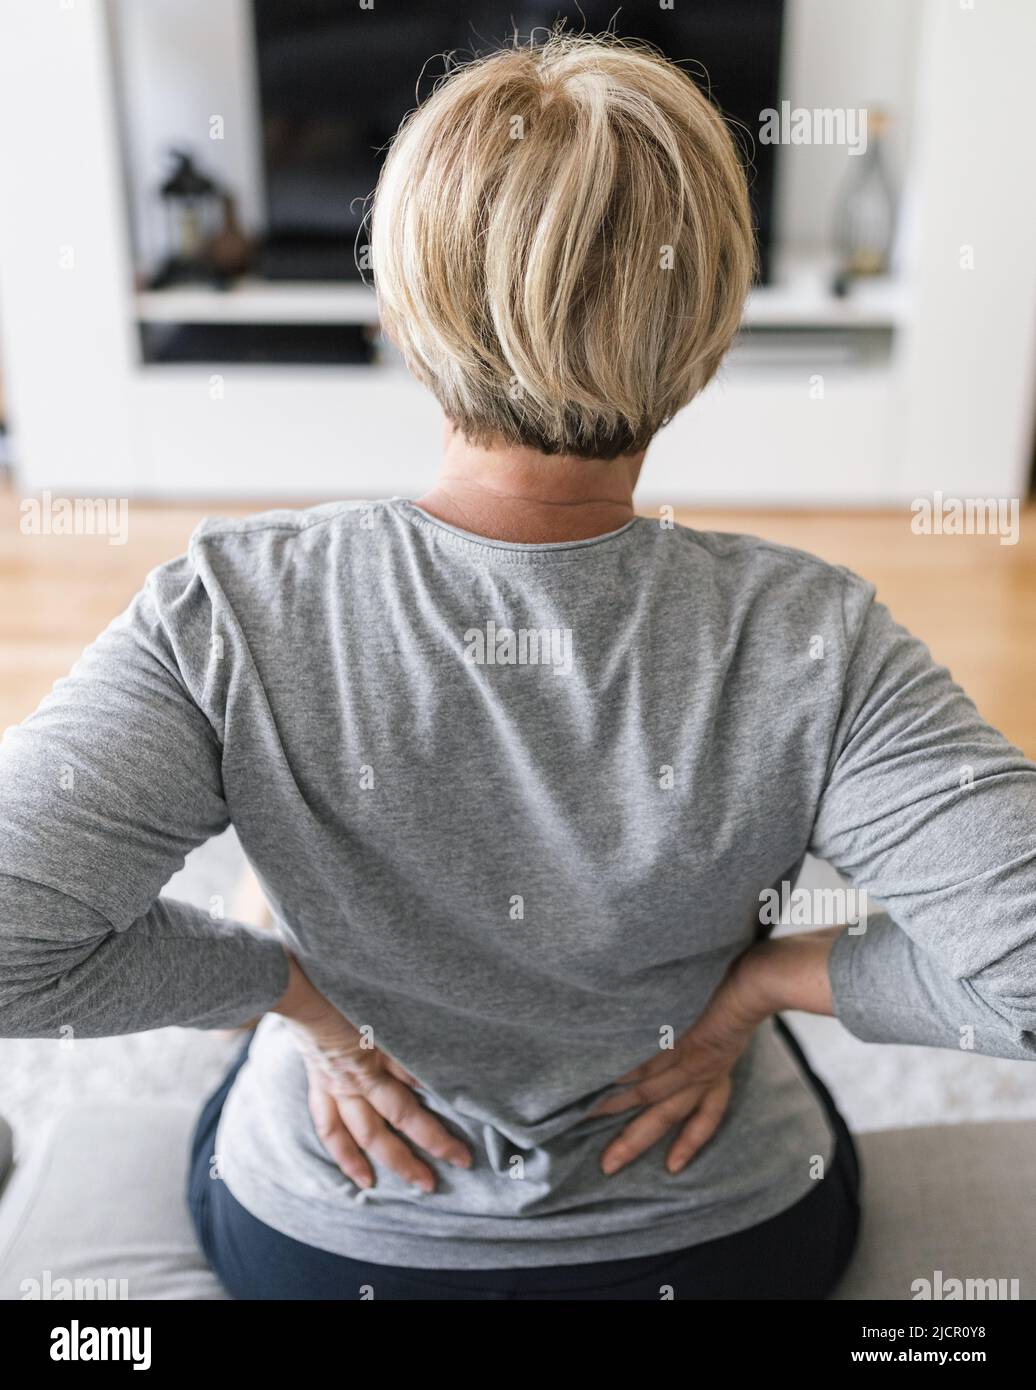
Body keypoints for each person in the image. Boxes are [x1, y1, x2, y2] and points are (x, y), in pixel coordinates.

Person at [2, 34, 1034, 1301]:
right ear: (706, 324)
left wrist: (287, 990)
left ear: (400, 304)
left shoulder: (231, 608)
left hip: (340, 1254)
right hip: (719, 1252)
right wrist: (762, 985)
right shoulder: (815, 635)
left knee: (268, 991)